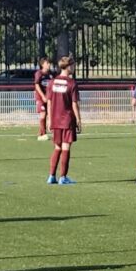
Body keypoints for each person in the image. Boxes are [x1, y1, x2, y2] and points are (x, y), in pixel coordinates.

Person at [46, 55, 81, 184]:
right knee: (65, 148)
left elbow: (49, 102)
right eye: (73, 65)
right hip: (67, 119)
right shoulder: (72, 83)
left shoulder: (52, 82)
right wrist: (78, 119)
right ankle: (63, 177)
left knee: (57, 147)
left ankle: (51, 176)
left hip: (55, 119)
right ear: (69, 66)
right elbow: (74, 104)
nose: (74, 67)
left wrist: (49, 119)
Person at [32, 57, 52, 142]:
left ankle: (41, 134)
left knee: (48, 114)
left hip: (48, 98)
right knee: (43, 114)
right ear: (42, 64)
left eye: (49, 63)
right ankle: (43, 134)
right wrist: (43, 96)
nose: (49, 65)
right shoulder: (39, 73)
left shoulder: (50, 74)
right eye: (47, 63)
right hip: (40, 98)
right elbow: (36, 85)